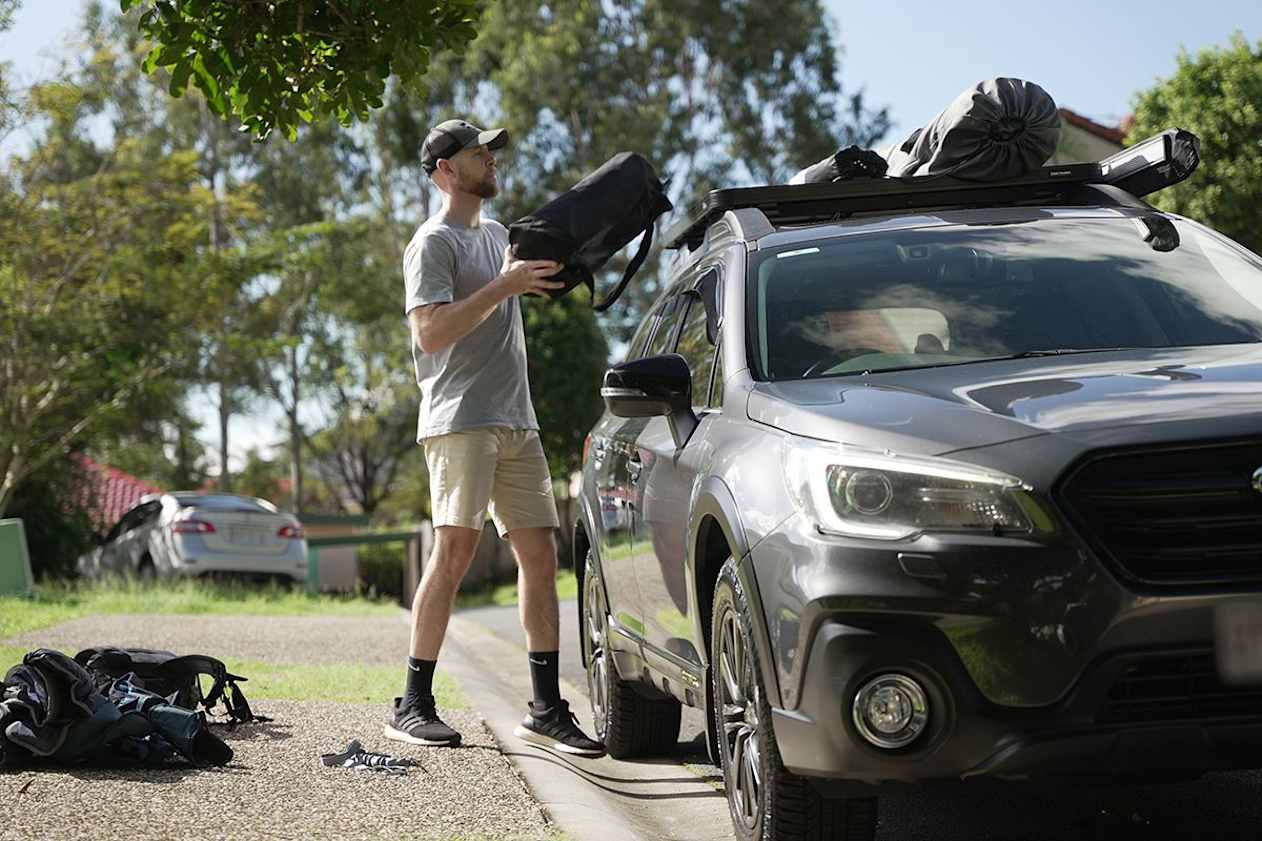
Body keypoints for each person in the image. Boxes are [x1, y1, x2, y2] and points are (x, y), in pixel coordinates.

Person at [387, 118, 605, 757]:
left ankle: (545, 709)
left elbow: (518, 290)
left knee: (540, 556)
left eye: (489, 150)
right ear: (445, 170)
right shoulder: (431, 243)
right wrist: (504, 285)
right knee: (453, 554)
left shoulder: (503, 236)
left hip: (518, 420)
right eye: (477, 152)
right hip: (460, 419)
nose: (489, 159)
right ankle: (413, 703)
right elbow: (429, 333)